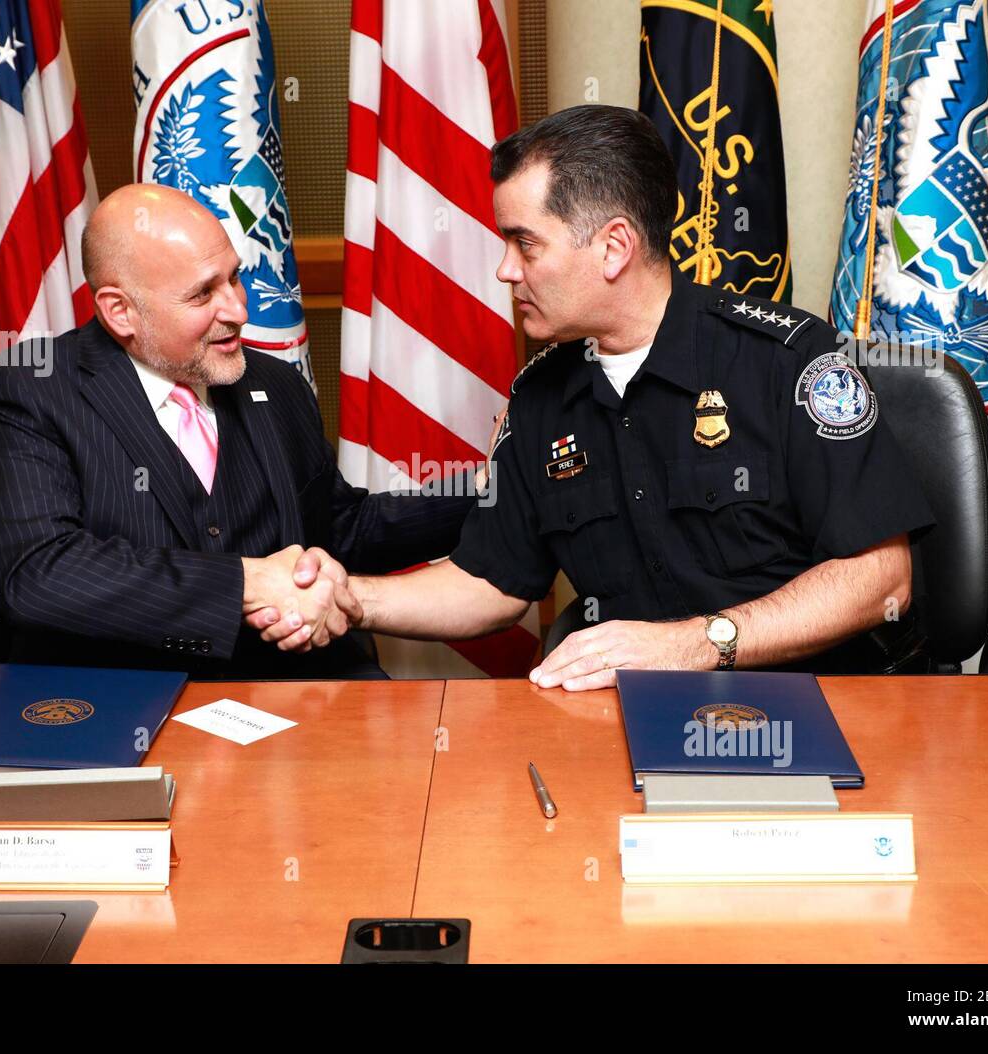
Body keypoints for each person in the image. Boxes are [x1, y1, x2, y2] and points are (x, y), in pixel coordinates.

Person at [252, 105, 937, 688]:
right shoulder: (543, 396)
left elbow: (882, 580)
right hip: (637, 721)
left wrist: (691, 645)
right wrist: (350, 597)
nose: (504, 270)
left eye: (526, 244)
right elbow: (493, 583)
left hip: (827, 704)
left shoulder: (789, 362)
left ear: (613, 249)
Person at [0, 183, 477, 679]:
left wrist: (491, 489)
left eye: (233, 278)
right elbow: (43, 574)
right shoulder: (26, 391)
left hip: (288, 685)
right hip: (114, 695)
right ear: (121, 312)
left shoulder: (274, 385)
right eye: (203, 295)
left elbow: (340, 527)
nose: (238, 310)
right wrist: (249, 583)